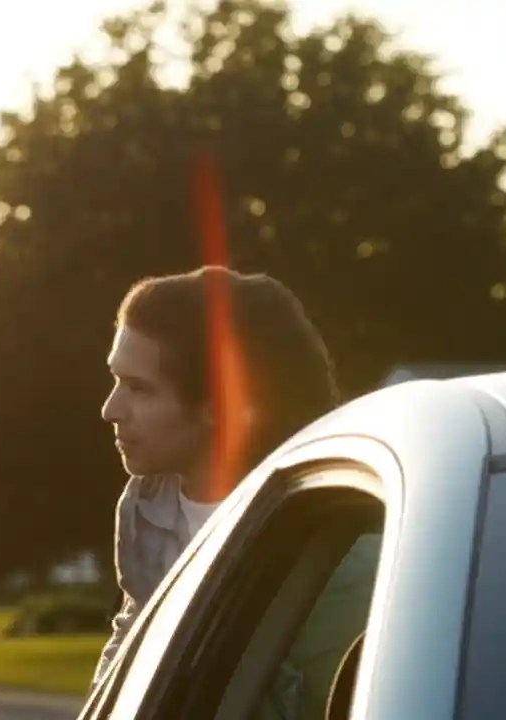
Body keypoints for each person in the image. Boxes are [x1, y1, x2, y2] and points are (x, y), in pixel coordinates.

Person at [93, 265, 339, 685]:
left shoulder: (323, 524)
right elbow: (133, 635)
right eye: (116, 380)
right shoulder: (145, 505)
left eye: (139, 388)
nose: (110, 410)